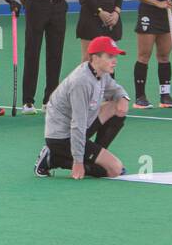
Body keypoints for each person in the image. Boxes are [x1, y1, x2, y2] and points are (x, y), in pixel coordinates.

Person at [34, 36, 129, 179]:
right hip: (62, 138)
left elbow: (115, 89)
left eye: (115, 56)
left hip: (79, 131)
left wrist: (123, 98)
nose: (114, 61)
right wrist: (78, 161)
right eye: (110, 56)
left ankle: (94, 154)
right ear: (95, 58)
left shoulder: (100, 73)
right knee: (114, 170)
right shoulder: (81, 82)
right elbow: (77, 124)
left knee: (116, 106)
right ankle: (52, 158)